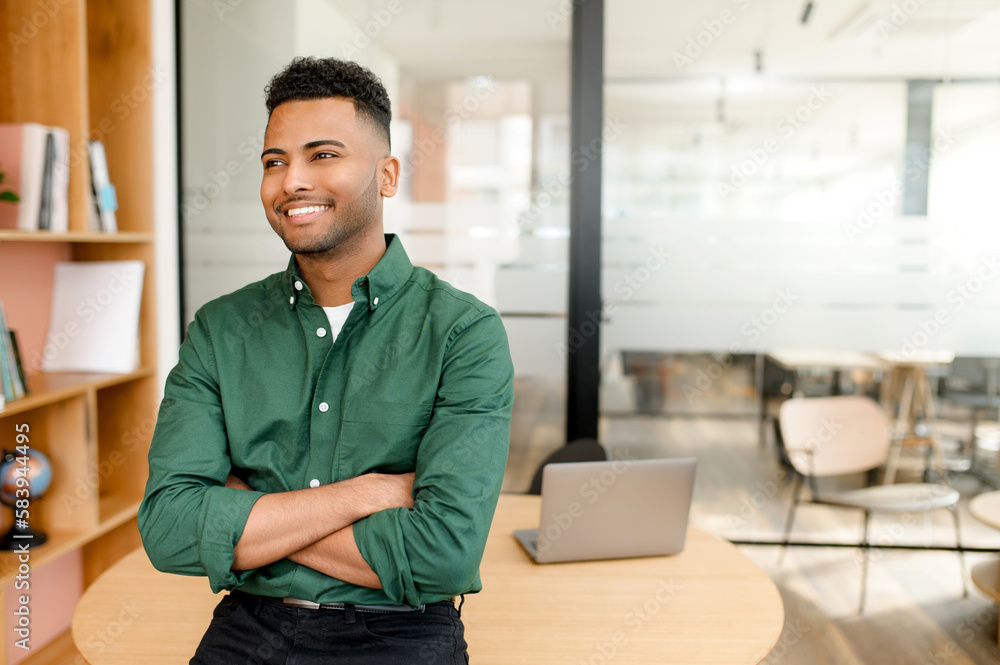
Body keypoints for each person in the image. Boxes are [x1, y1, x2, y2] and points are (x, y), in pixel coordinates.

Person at [138, 56, 514, 665]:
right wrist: (366, 494)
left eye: (323, 155)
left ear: (387, 175)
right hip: (248, 626)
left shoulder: (462, 332)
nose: (291, 182)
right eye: (274, 161)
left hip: (402, 631)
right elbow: (169, 530)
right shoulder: (220, 328)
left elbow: (444, 552)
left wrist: (246, 507)